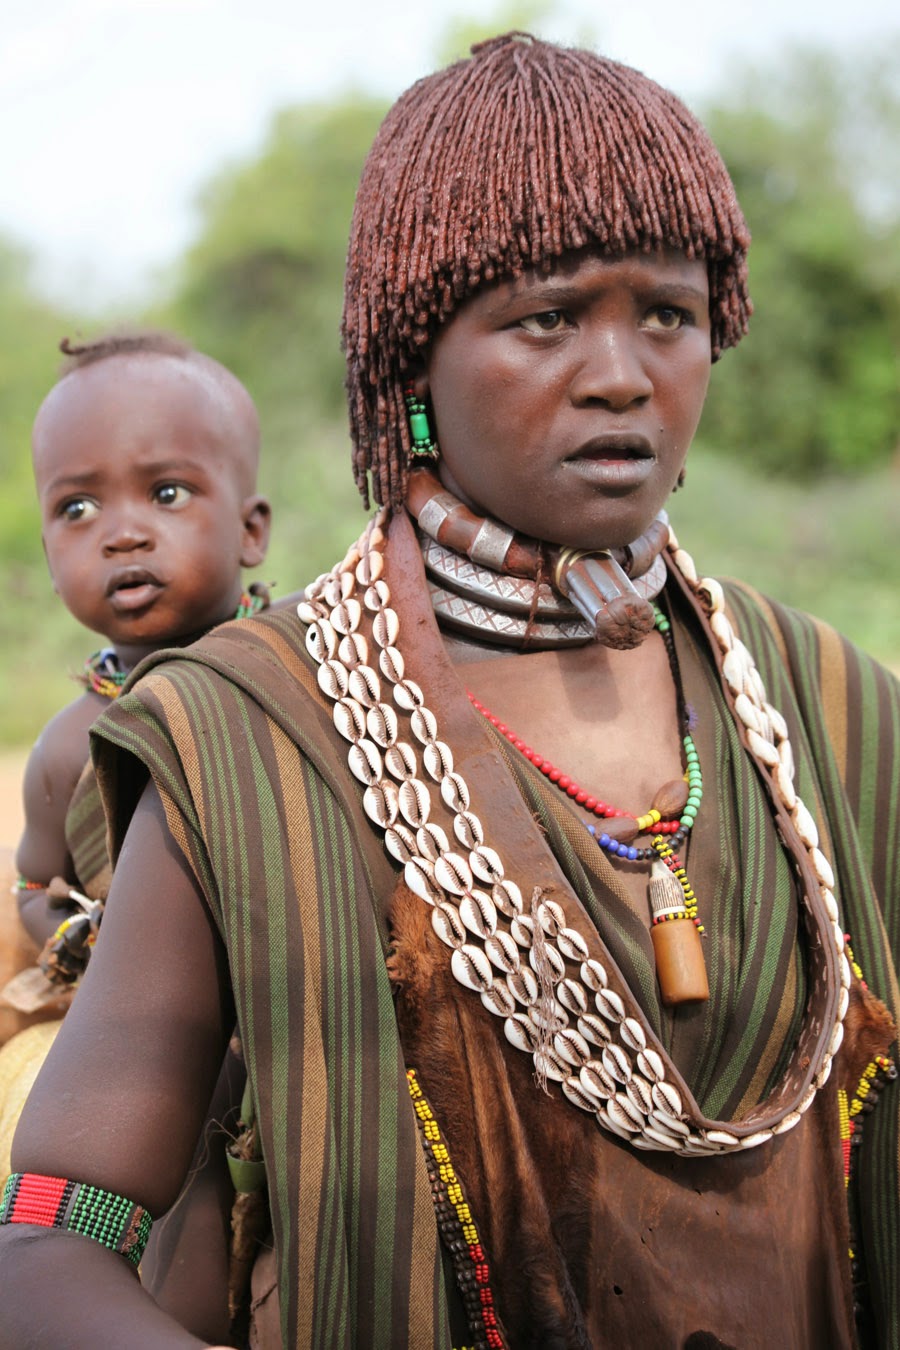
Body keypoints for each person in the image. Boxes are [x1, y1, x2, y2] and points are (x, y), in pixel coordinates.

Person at [1, 34, 897, 1350]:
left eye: (671, 311)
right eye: (545, 315)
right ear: (413, 365)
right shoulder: (252, 733)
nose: (620, 372)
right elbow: (54, 1239)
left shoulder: (836, 712)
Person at [12, 331, 271, 962]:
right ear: (49, 561)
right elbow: (31, 887)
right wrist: (84, 941)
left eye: (166, 494)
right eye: (77, 507)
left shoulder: (310, 667)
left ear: (249, 529)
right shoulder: (69, 750)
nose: (122, 535)